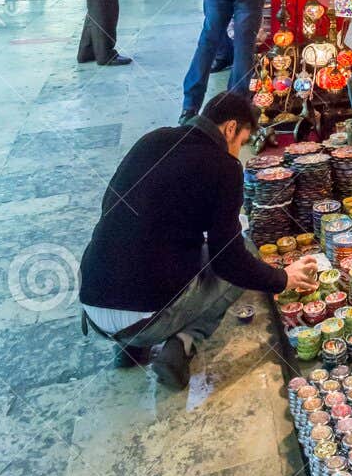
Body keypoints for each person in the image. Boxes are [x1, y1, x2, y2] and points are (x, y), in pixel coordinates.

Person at [79, 90, 318, 388]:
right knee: (241, 255)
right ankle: (182, 343)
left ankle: (130, 345)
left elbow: (111, 209)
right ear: (230, 128)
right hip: (146, 316)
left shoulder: (153, 140)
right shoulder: (224, 168)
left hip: (92, 300)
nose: (238, 152)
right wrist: (283, 278)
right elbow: (230, 263)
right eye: (242, 142)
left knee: (148, 249)